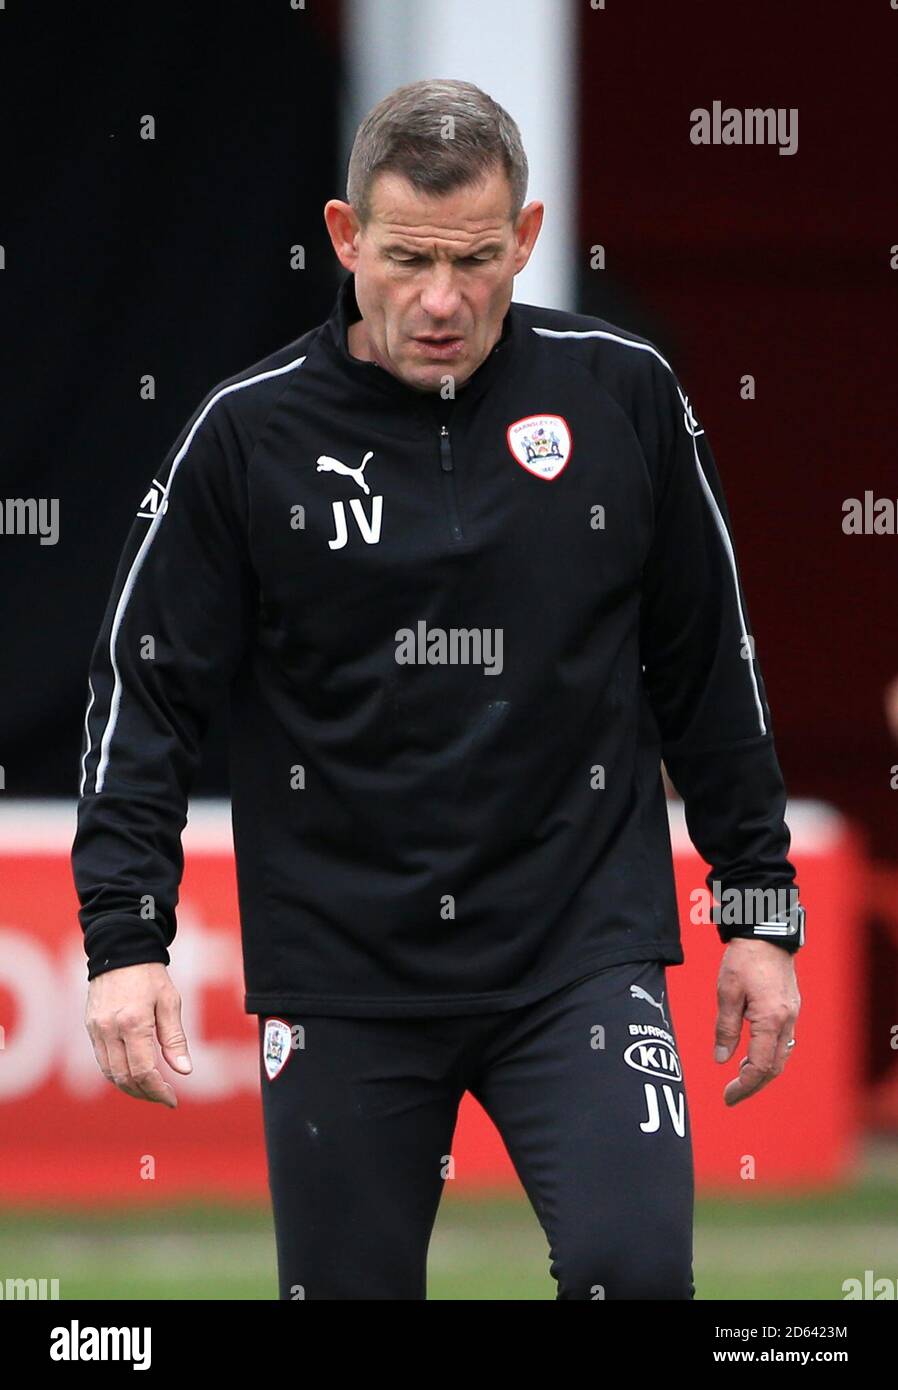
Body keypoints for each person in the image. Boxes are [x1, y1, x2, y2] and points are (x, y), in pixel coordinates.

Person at [72, 78, 803, 1300]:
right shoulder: (244, 436)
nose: (442, 300)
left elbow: (709, 664)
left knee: (636, 1274)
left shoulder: (622, 393)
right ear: (347, 236)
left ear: (525, 238)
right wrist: (123, 936)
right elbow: (143, 696)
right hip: (343, 965)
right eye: (407, 257)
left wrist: (758, 906)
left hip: (579, 947)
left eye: (476, 260)